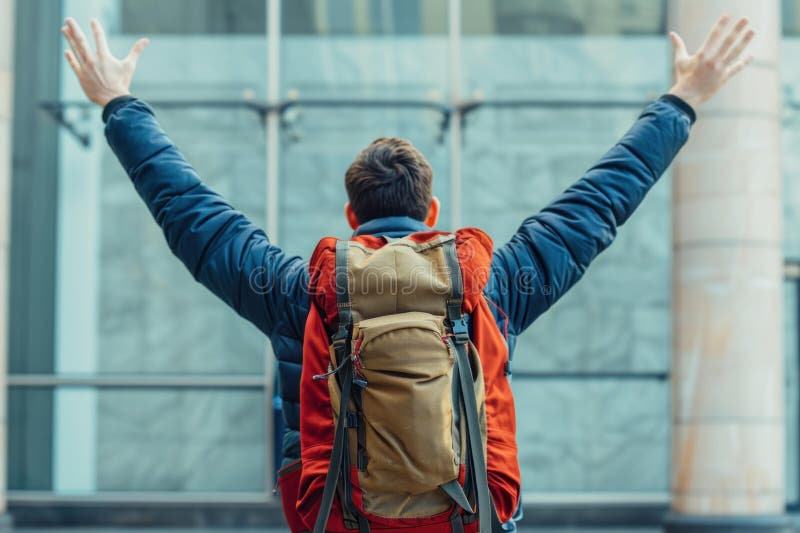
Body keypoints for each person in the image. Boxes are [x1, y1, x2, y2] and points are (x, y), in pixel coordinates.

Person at [61, 14, 755, 531]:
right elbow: (596, 205)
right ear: (433, 211)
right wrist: (681, 99)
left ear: (349, 212)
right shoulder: (491, 287)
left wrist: (119, 106)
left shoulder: (304, 294)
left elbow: (193, 217)